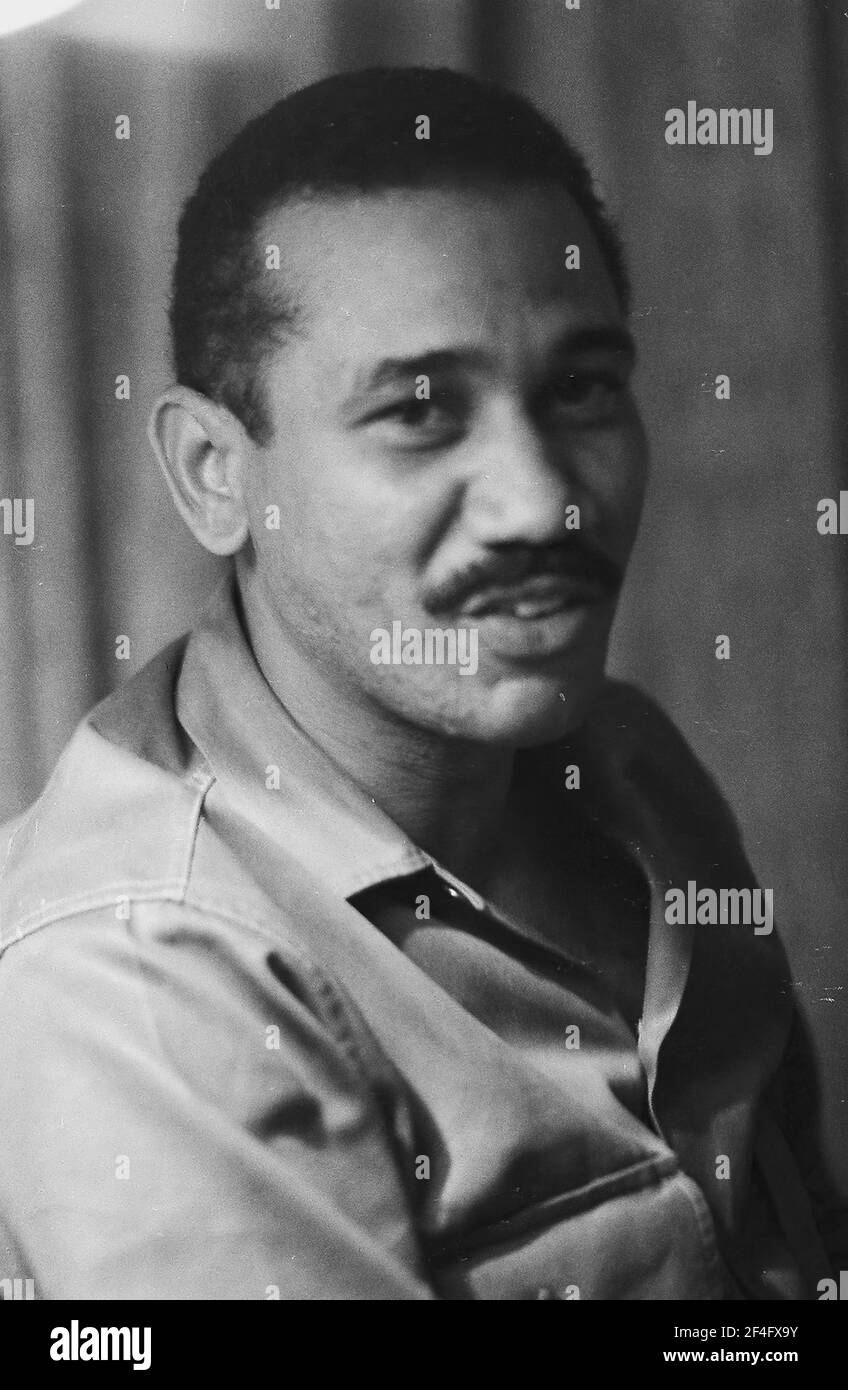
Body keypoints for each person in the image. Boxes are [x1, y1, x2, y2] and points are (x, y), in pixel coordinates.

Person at [0, 66, 842, 1301]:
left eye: (581, 389)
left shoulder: (623, 759)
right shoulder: (136, 973)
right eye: (419, 411)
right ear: (214, 474)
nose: (539, 498)